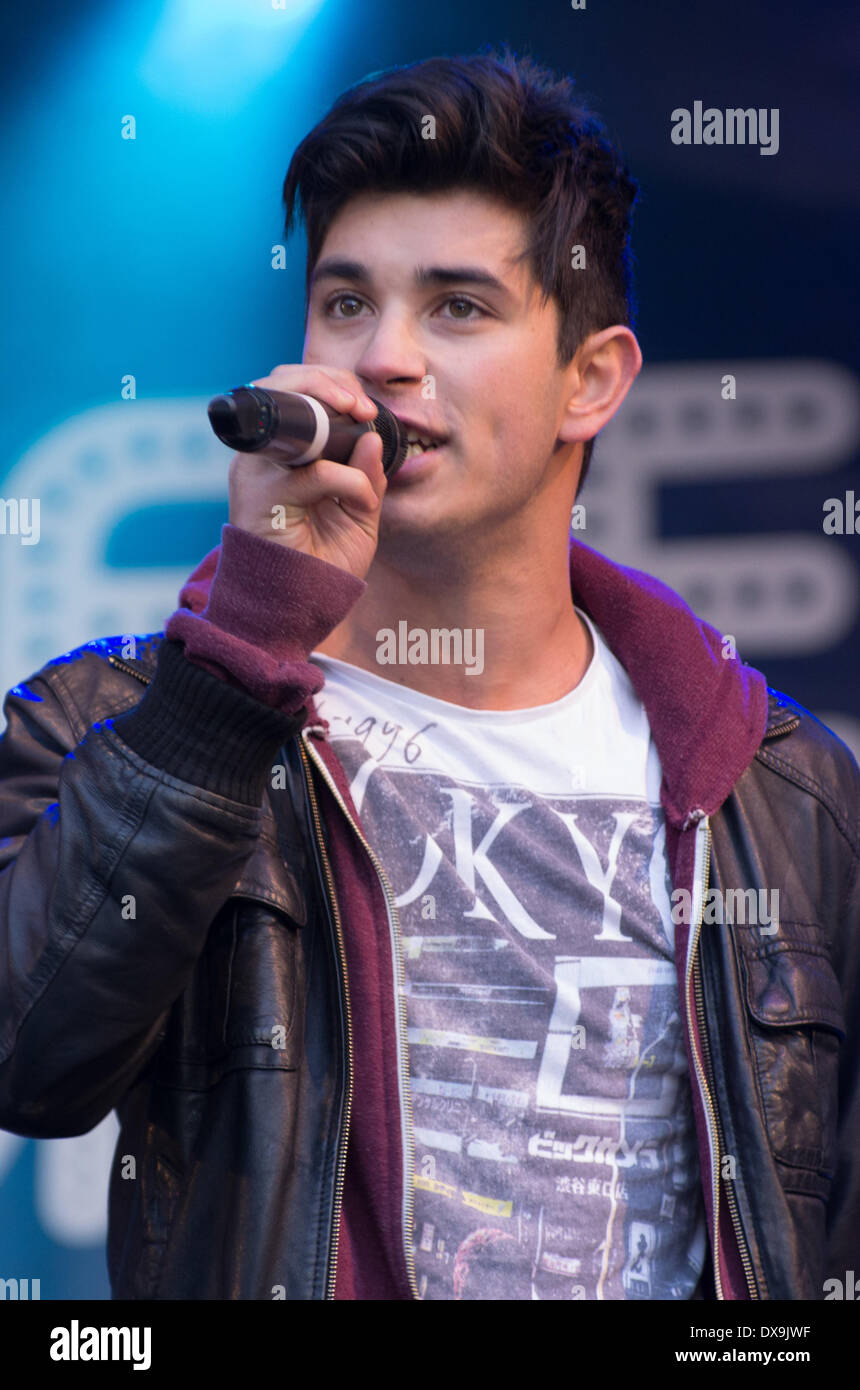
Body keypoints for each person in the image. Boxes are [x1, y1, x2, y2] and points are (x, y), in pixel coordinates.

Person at [0, 47, 856, 1302]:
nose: (385, 357)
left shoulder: (779, 796)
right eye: (347, 303)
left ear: (591, 379)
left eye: (456, 306)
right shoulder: (118, 725)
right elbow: (31, 1061)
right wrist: (237, 662)